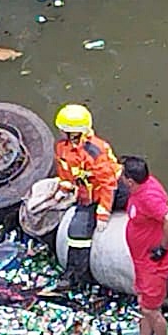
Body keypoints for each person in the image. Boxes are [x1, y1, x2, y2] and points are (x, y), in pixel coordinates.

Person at [53, 104, 120, 292]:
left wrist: (103, 213)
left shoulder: (95, 151)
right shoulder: (62, 148)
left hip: (112, 189)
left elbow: (108, 183)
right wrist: (64, 188)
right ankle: (75, 276)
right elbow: (65, 172)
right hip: (87, 194)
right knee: (77, 233)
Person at [123, 156, 168, 335]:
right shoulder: (144, 185)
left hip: (154, 263)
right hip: (143, 260)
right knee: (144, 305)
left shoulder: (148, 198)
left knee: (151, 309)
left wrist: (162, 249)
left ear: (130, 181)